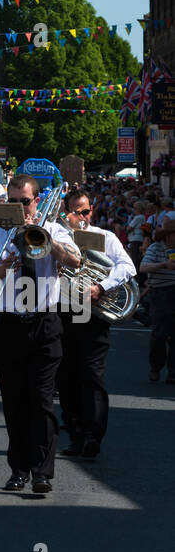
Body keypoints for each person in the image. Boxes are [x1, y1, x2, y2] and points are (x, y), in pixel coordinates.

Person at [0, 175, 81, 494]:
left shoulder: (55, 229)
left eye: (25, 202)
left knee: (42, 400)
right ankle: (18, 469)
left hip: (45, 323)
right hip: (10, 324)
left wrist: (48, 239)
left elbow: (76, 261)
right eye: (13, 202)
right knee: (15, 402)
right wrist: (7, 262)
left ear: (36, 201)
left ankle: (42, 471)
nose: (20, 209)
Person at [58, 187, 137, 456]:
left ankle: (93, 435)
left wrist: (100, 287)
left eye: (86, 210)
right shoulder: (59, 238)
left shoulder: (107, 237)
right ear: (67, 212)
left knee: (92, 377)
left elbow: (128, 267)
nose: (83, 216)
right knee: (66, 378)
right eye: (77, 211)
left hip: (94, 316)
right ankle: (76, 434)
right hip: (64, 314)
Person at [139, 219, 175, 385]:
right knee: (159, 334)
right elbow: (143, 267)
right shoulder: (156, 247)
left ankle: (173, 372)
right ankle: (155, 367)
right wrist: (163, 265)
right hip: (160, 292)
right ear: (167, 236)